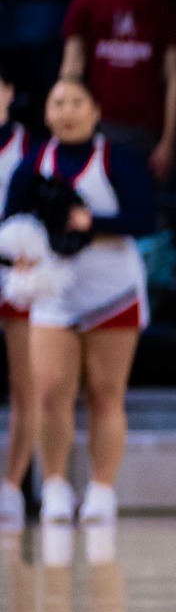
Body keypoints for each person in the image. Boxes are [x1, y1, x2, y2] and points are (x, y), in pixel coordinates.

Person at [5, 80, 158, 526]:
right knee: (51, 393)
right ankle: (54, 486)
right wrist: (23, 255)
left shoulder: (117, 160)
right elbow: (11, 224)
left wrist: (91, 223)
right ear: (47, 114)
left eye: (77, 103)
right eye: (58, 103)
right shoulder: (33, 164)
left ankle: (102, 490)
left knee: (106, 394)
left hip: (112, 292)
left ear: (95, 111)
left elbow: (145, 216)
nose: (68, 111)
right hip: (55, 293)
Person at [61, 0, 176, 179]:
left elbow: (174, 77)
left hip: (145, 132)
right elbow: (71, 69)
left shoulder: (164, 8)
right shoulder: (85, 4)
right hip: (95, 126)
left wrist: (168, 140)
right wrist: (67, 124)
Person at [0, 74, 35, 529]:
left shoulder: (31, 148)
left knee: (26, 385)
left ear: (9, 91)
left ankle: (13, 484)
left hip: (18, 271)